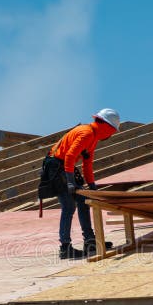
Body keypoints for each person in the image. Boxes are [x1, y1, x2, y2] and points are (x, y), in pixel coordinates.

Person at [50, 108, 120, 259]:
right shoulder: (87, 133)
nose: (110, 135)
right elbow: (69, 157)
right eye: (112, 132)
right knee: (68, 206)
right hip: (56, 168)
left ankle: (89, 241)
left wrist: (92, 187)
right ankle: (65, 248)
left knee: (83, 201)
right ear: (106, 127)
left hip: (63, 168)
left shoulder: (92, 137)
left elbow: (87, 164)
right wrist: (70, 182)